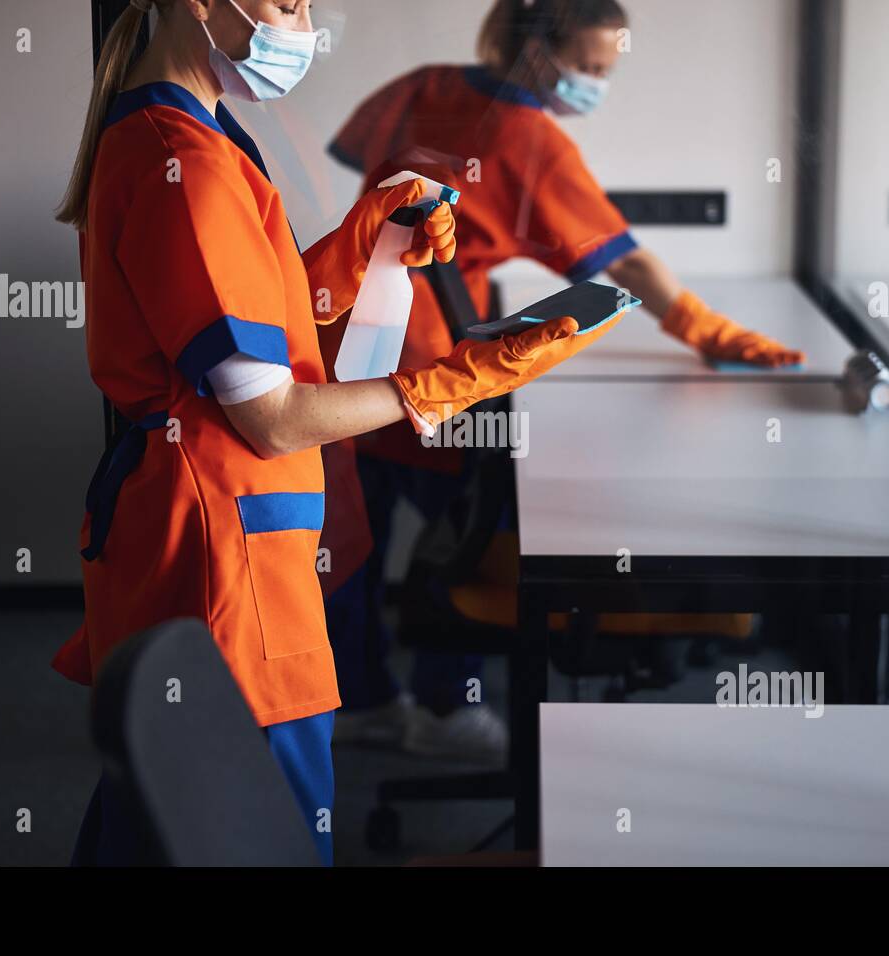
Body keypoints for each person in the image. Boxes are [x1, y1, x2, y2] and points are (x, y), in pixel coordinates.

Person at [51, 0, 609, 866]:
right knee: (245, 818)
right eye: (286, 2)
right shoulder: (182, 160)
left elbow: (239, 325)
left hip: (211, 526)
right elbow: (268, 417)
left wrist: (354, 250)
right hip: (224, 553)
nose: (302, 24)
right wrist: (452, 383)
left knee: (160, 803)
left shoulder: (191, 130)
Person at [322, 0, 805, 759]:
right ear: (541, 55)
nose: (597, 84)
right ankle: (450, 706)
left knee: (351, 534)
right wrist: (710, 331)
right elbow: (625, 262)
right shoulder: (530, 140)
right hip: (428, 367)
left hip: (343, 336)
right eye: (591, 69)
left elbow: (361, 159)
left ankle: (358, 701)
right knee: (474, 530)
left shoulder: (424, 83)